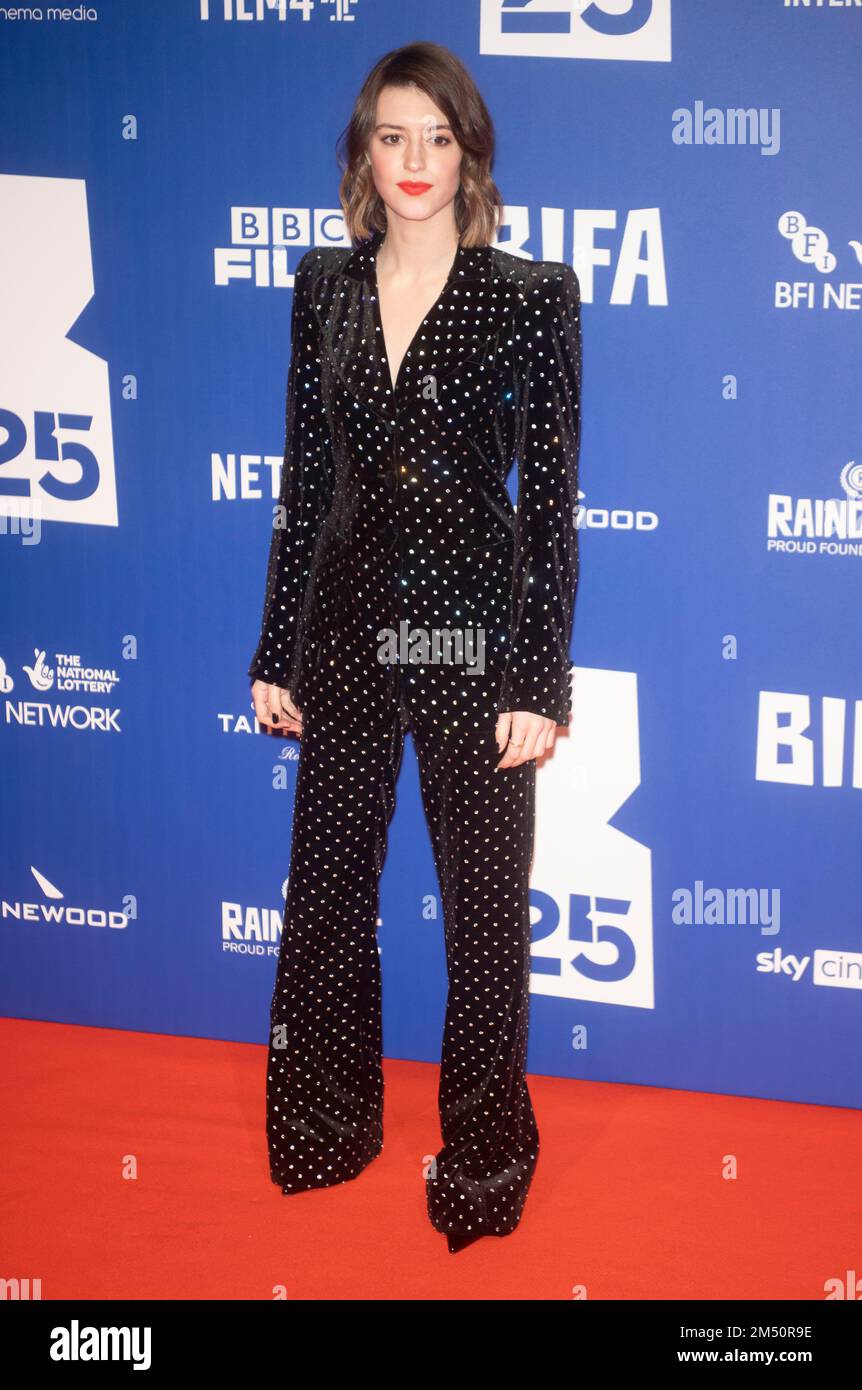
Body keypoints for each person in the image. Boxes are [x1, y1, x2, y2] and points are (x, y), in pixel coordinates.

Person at [248, 41, 582, 1254]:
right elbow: (305, 484)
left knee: (486, 921)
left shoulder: (529, 295)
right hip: (339, 636)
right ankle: (328, 1125)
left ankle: (485, 1168)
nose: (415, 162)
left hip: (471, 643)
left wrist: (537, 681)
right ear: (362, 152)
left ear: (471, 153)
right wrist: (276, 645)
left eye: (438, 138)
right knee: (328, 900)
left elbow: (547, 505)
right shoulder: (321, 288)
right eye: (393, 136)